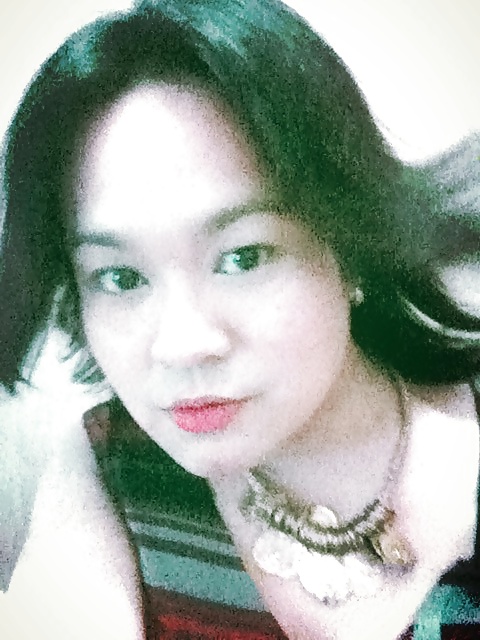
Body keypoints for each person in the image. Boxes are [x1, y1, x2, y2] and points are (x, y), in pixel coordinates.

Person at [0, 1, 479, 638]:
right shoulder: (107, 470)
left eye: (244, 257)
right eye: (120, 278)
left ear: (349, 247)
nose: (182, 345)